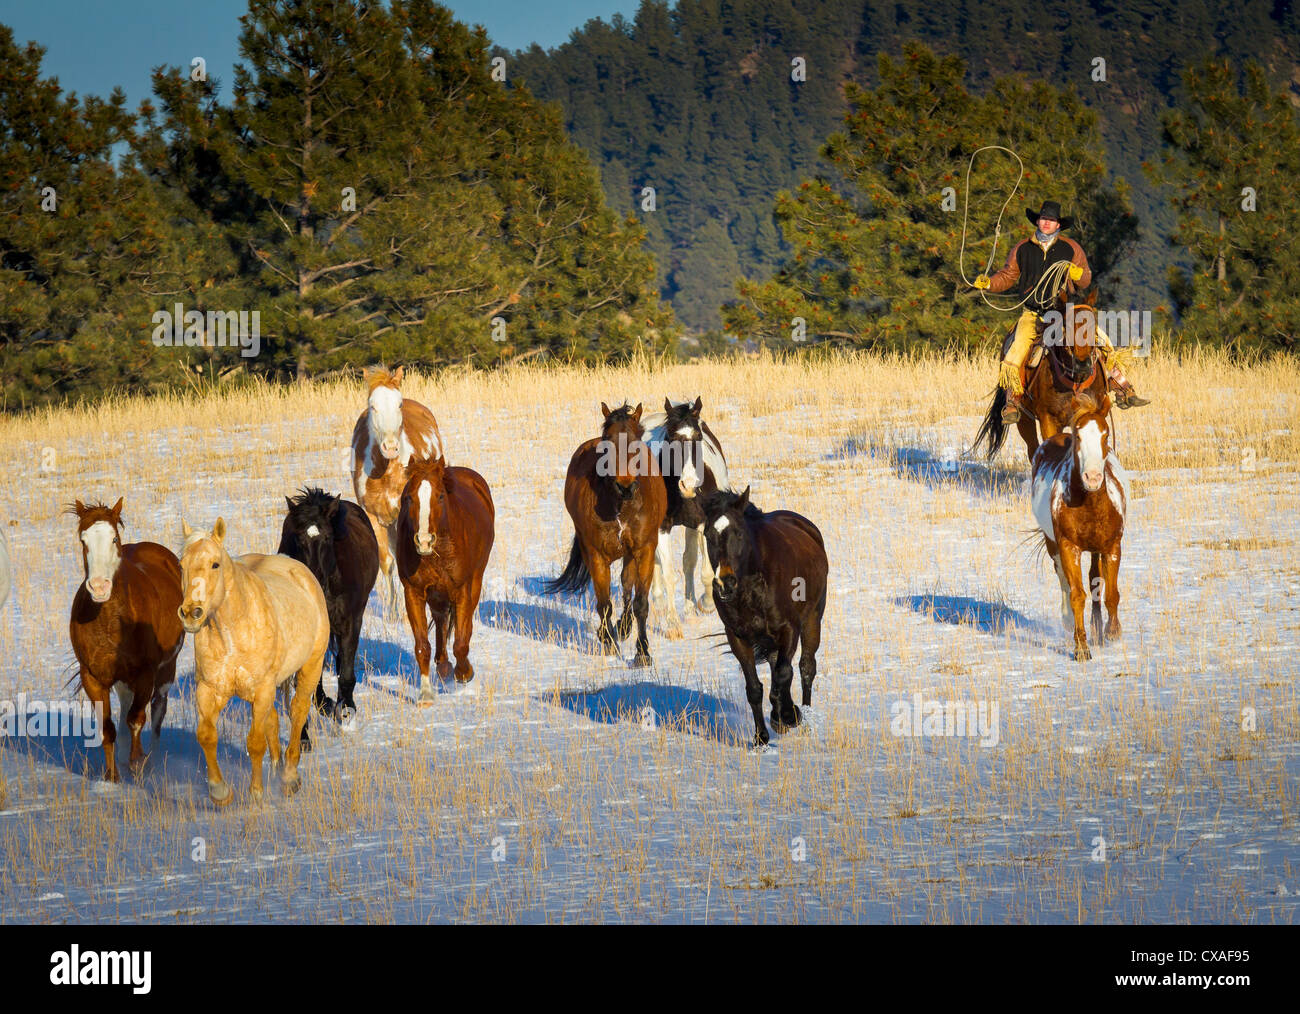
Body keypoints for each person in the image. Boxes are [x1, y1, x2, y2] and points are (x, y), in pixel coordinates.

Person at [974, 200, 1148, 424]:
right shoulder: (1022, 248)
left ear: (1058, 225)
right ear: (1037, 221)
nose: (1047, 223)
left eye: (1051, 220)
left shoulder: (1071, 248)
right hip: (1033, 313)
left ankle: (1122, 387)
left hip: (1064, 312)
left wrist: (1077, 274)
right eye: (1044, 219)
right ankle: (1012, 400)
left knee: (1101, 341)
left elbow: (1085, 279)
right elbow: (1007, 276)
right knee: (1016, 350)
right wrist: (988, 283)